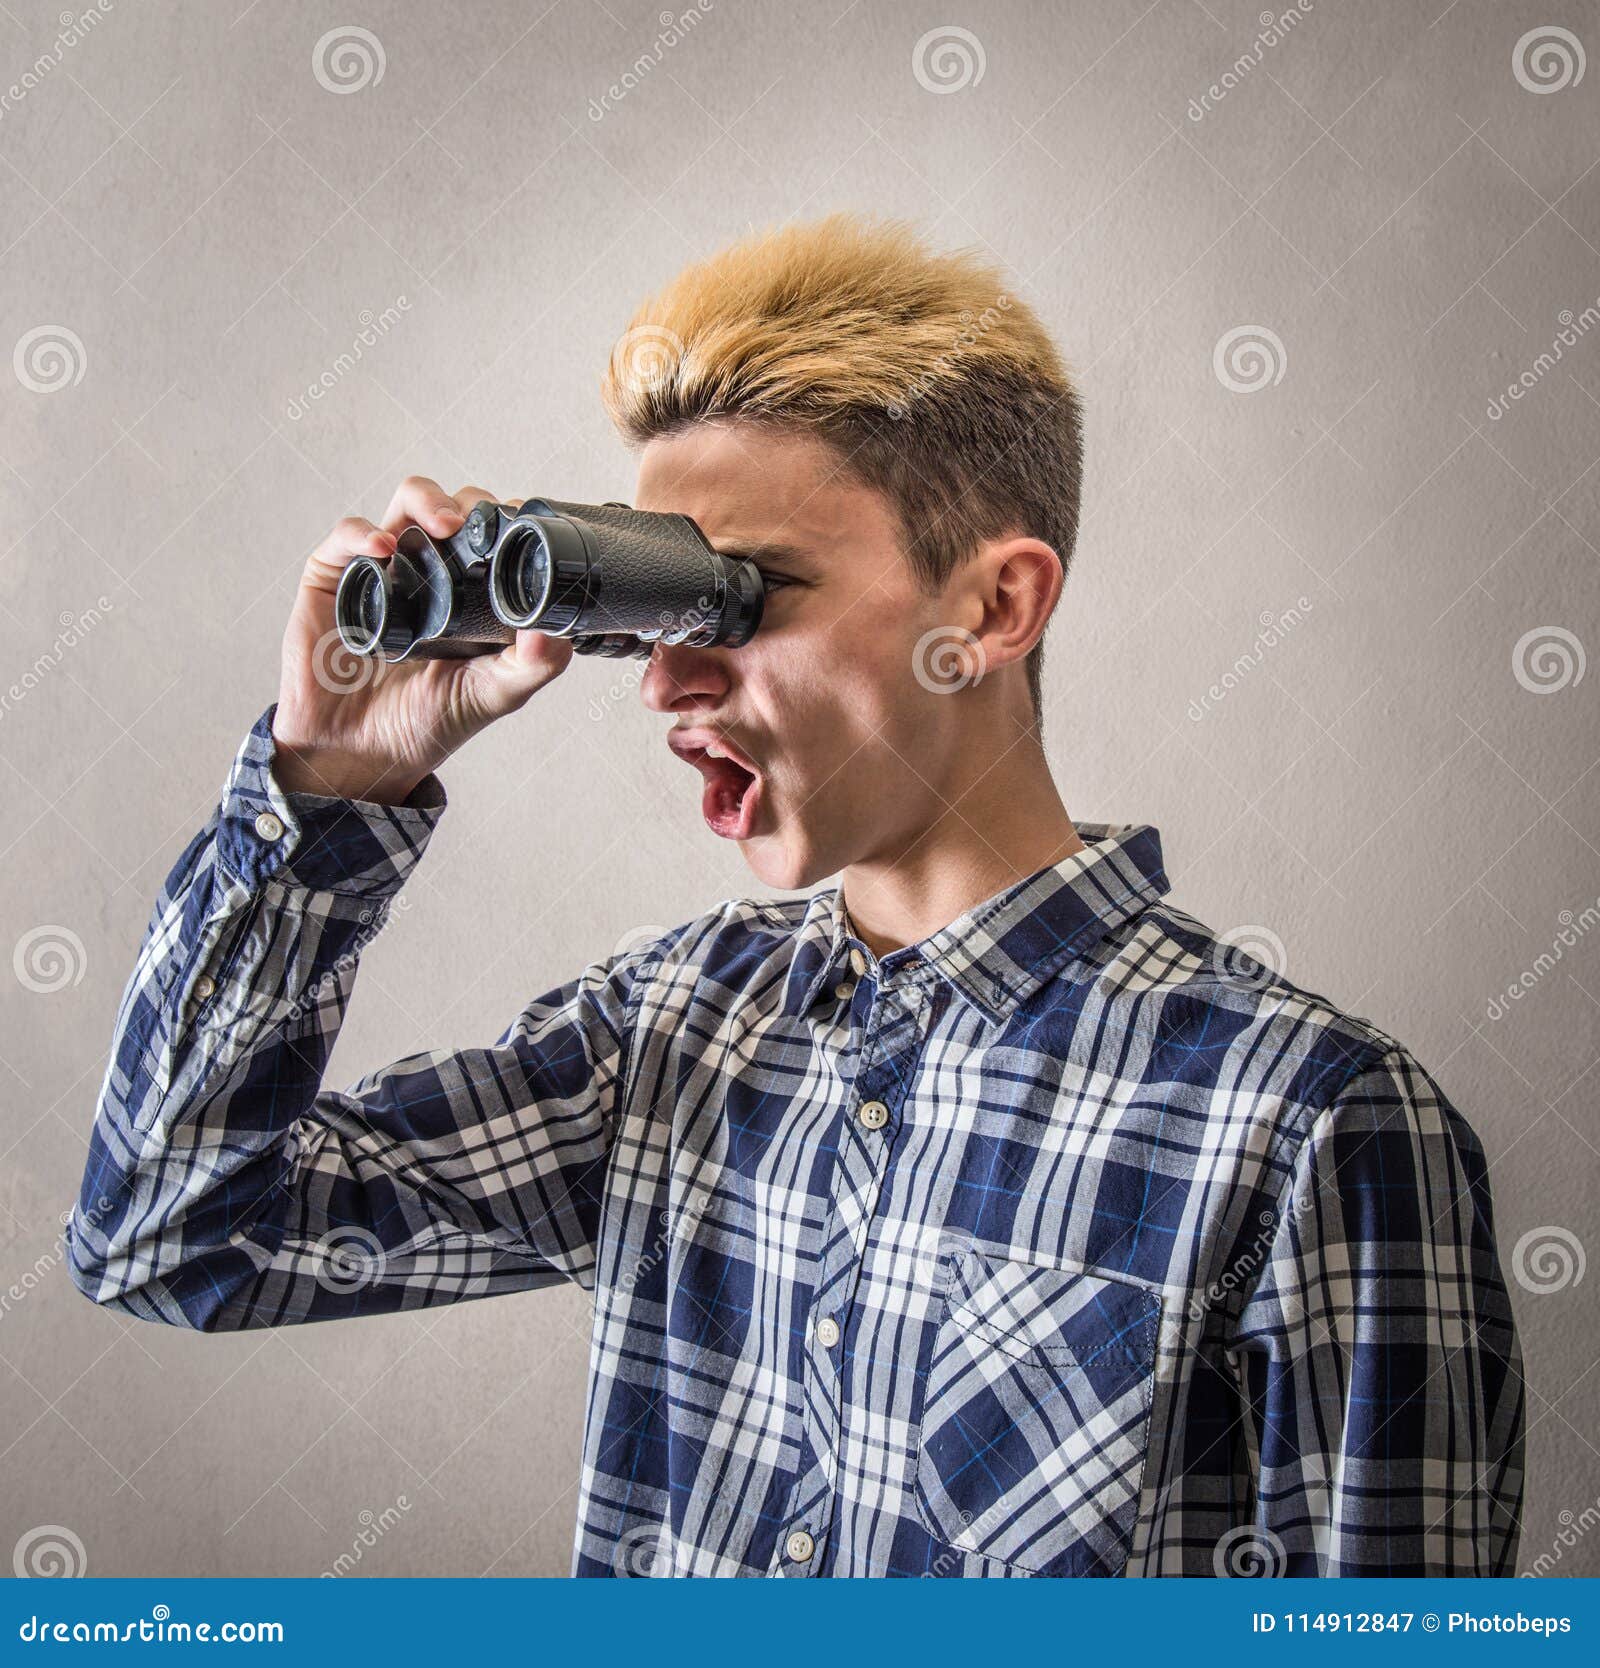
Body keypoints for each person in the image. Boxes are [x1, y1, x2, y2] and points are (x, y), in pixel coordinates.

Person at [68, 212, 1526, 1579]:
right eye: (650, 610)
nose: (672, 678)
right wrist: (330, 785)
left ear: (996, 606)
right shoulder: (671, 1035)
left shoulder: (1309, 1123)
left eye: (745, 596)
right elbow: (173, 1239)